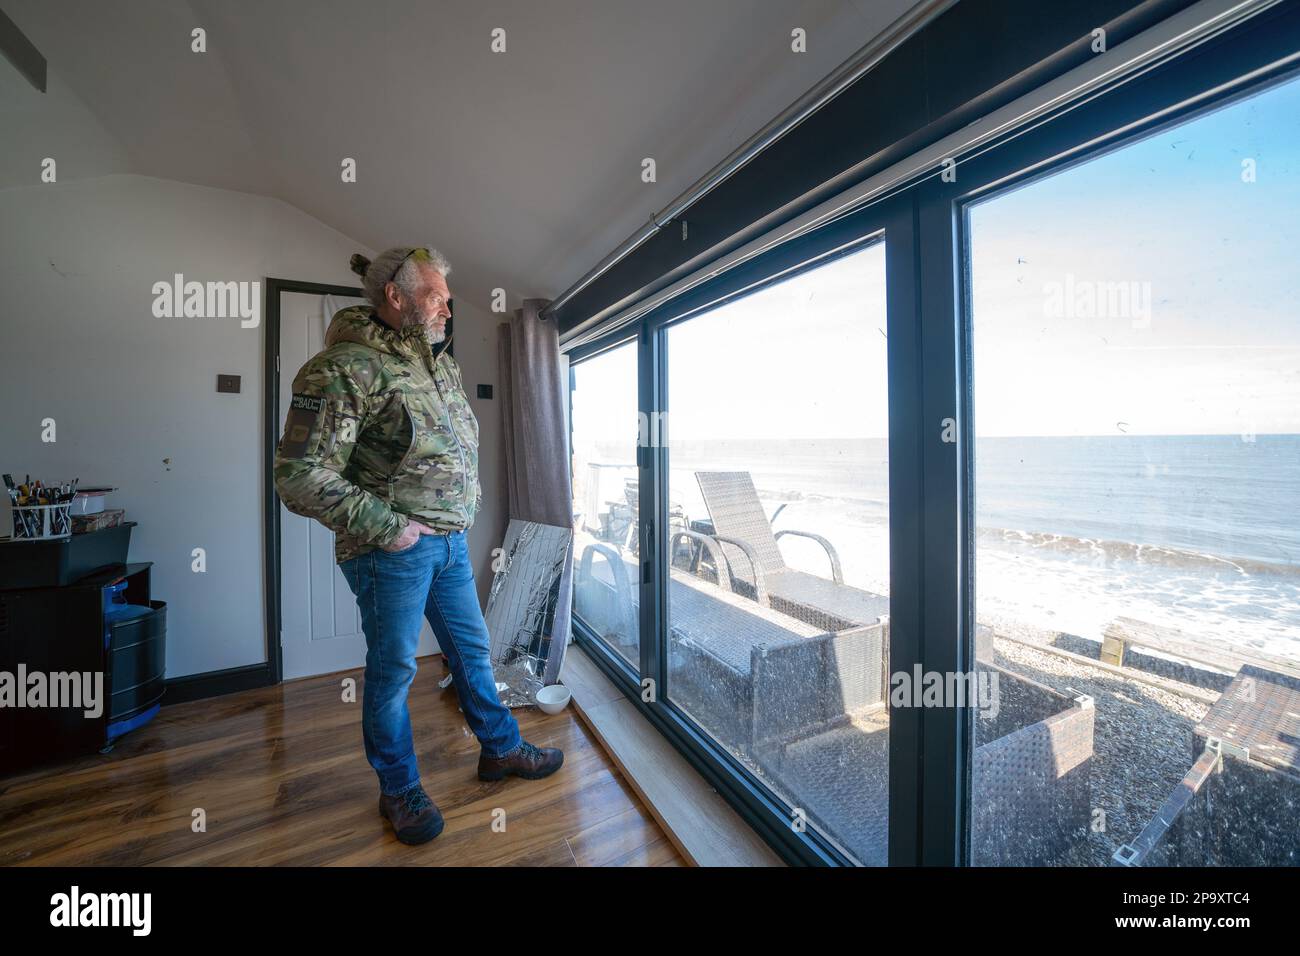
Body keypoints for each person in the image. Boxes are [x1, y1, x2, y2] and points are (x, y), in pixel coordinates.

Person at [274, 246, 562, 845]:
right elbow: (297, 475)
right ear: (396, 297)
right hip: (390, 553)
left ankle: (500, 750)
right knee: (393, 673)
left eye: (448, 297)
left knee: (472, 653)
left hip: (451, 547)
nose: (449, 307)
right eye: (436, 295)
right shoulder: (338, 369)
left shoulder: (438, 364)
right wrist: (391, 527)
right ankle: (399, 789)